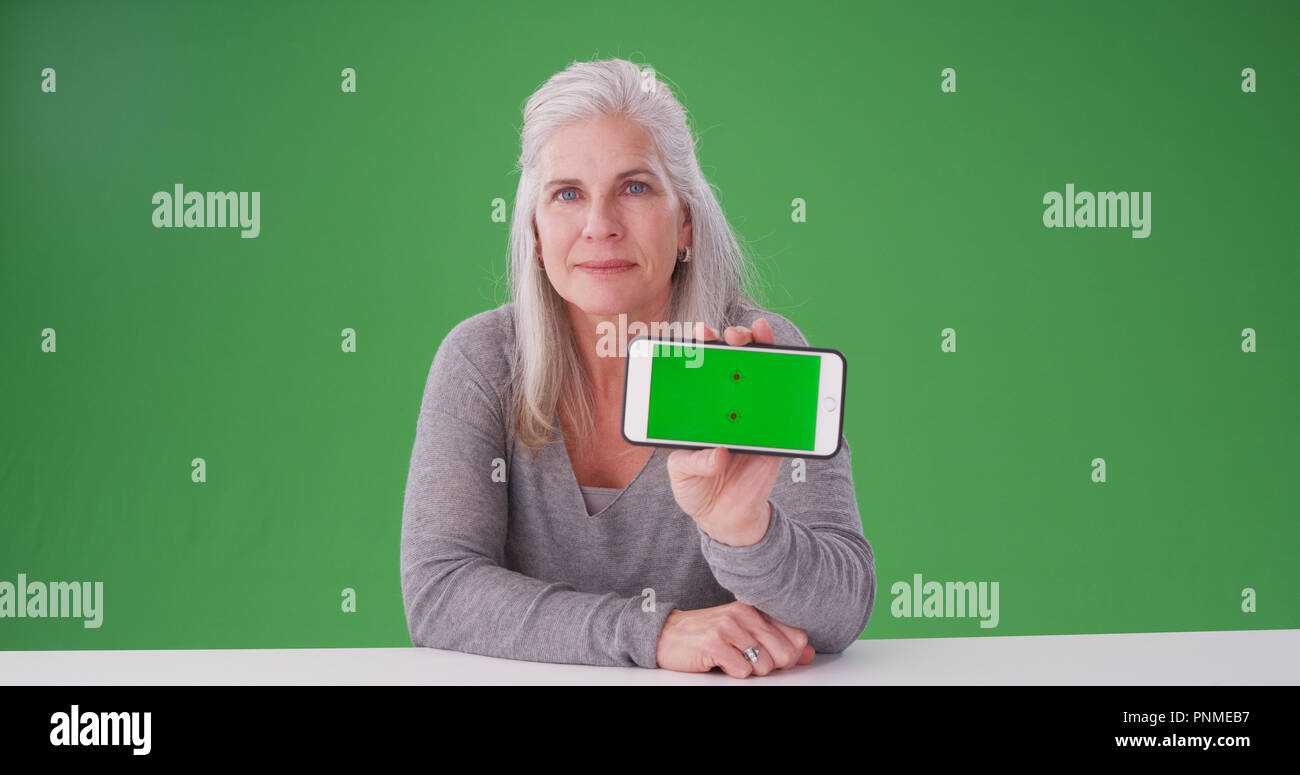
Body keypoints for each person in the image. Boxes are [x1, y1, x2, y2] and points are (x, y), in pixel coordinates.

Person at [401, 58, 875, 678]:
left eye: (635, 187)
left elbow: (841, 613)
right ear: (536, 235)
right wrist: (654, 634)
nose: (600, 227)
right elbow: (440, 593)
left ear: (684, 223)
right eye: (567, 194)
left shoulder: (750, 355)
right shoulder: (482, 360)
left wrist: (744, 530)